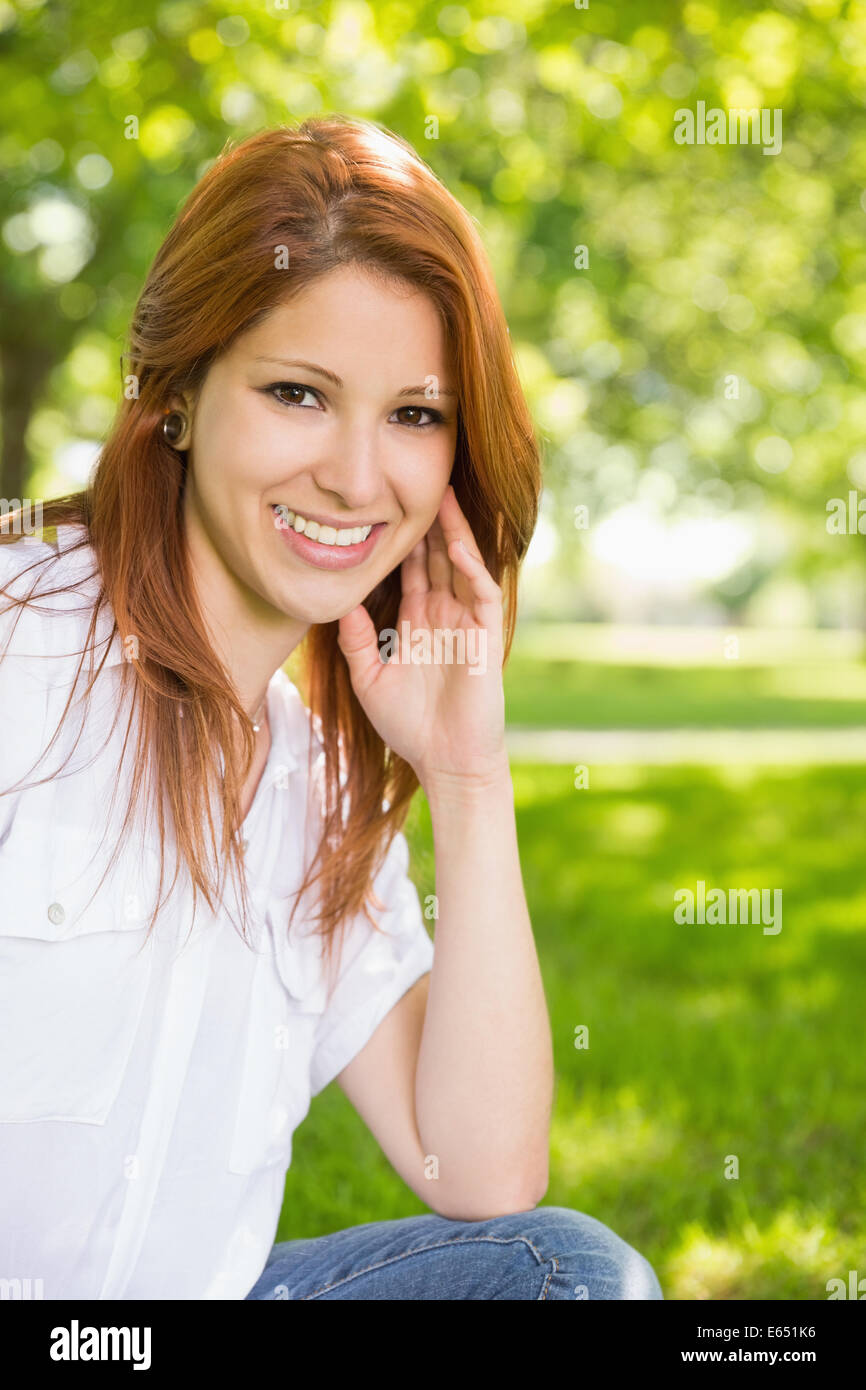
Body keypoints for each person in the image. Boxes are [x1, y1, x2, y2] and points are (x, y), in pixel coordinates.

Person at [0, 115, 663, 1301]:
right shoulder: (22, 646)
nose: (358, 479)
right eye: (298, 393)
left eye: (414, 414)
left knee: (563, 1275)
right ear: (178, 393)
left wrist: (466, 777)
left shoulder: (314, 784)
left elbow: (476, 1166)